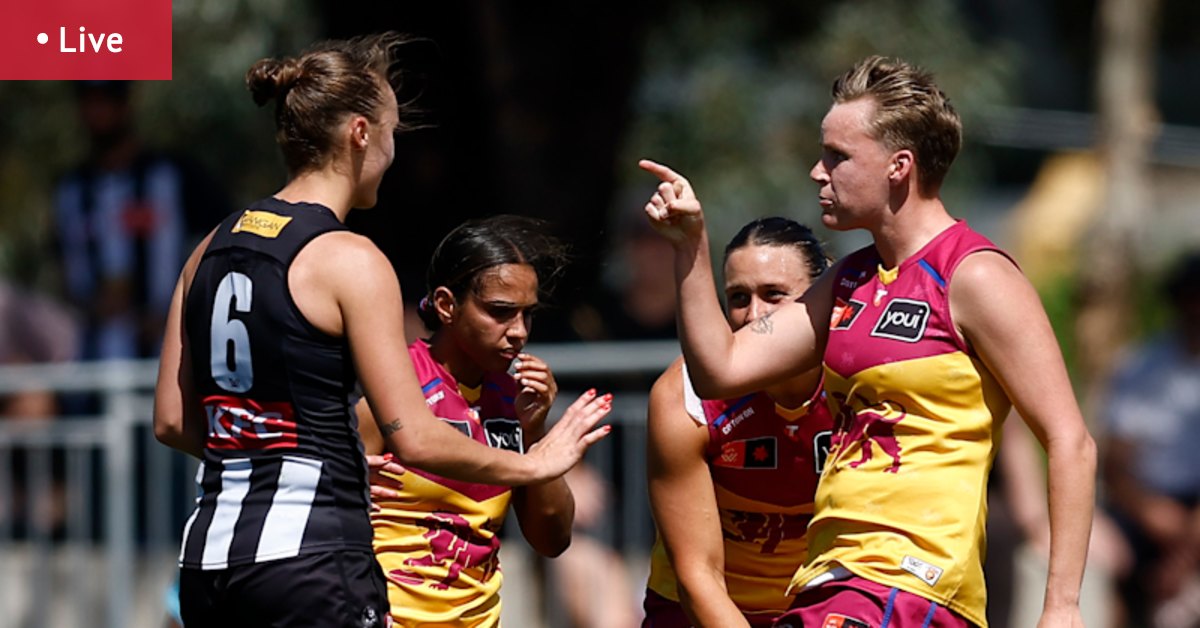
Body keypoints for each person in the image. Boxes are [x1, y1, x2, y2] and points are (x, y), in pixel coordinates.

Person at [152, 32, 611, 627]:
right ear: (360, 133)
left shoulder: (208, 247)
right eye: (393, 133)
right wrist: (536, 463)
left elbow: (172, 420)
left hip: (209, 559)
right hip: (311, 559)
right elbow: (414, 437)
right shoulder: (349, 258)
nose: (394, 155)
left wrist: (300, 456)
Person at [639, 54, 1095, 628]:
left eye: (838, 156)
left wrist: (1061, 606)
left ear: (899, 167)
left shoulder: (975, 275)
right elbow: (721, 370)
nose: (817, 172)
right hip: (833, 583)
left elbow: (1070, 440)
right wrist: (691, 245)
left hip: (910, 585)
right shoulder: (849, 279)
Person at [354, 214, 608, 627]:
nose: (519, 331)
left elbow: (552, 540)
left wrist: (534, 430)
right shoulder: (395, 387)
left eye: (527, 314)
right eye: (500, 312)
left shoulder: (512, 400)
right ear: (446, 305)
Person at [642, 217, 834, 627]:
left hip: (823, 607)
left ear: (823, 294)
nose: (754, 316)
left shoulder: (860, 383)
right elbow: (698, 577)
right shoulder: (684, 397)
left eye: (774, 295)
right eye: (739, 298)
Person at [53, 80, 230, 361]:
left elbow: (224, 246)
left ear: (126, 104)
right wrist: (92, 307)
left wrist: (182, 309)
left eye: (107, 100)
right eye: (90, 101)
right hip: (93, 361)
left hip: (169, 354)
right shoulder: (71, 190)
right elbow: (63, 272)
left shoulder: (174, 176)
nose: (98, 112)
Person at [1102, 251, 1200, 627]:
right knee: (1113, 556)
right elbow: (1116, 463)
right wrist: (1152, 513)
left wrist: (1186, 547)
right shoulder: (1141, 365)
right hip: (1148, 505)